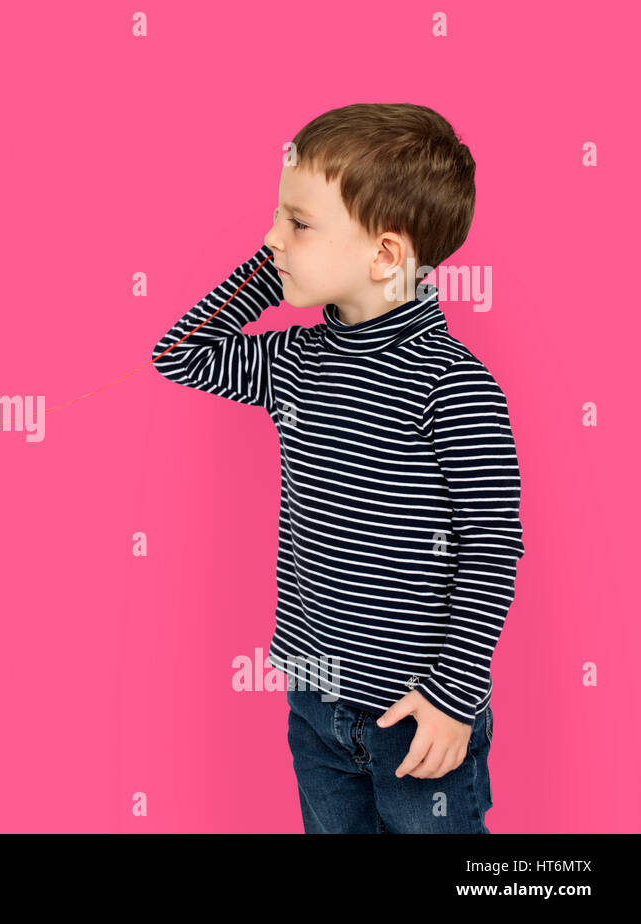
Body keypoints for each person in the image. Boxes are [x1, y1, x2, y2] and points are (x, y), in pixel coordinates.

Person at [151, 104, 523, 833]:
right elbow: (181, 353)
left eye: (297, 223)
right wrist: (275, 268)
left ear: (385, 256)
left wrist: (453, 695)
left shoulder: (454, 385)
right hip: (316, 702)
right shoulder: (296, 362)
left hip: (418, 714)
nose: (270, 237)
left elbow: (491, 547)